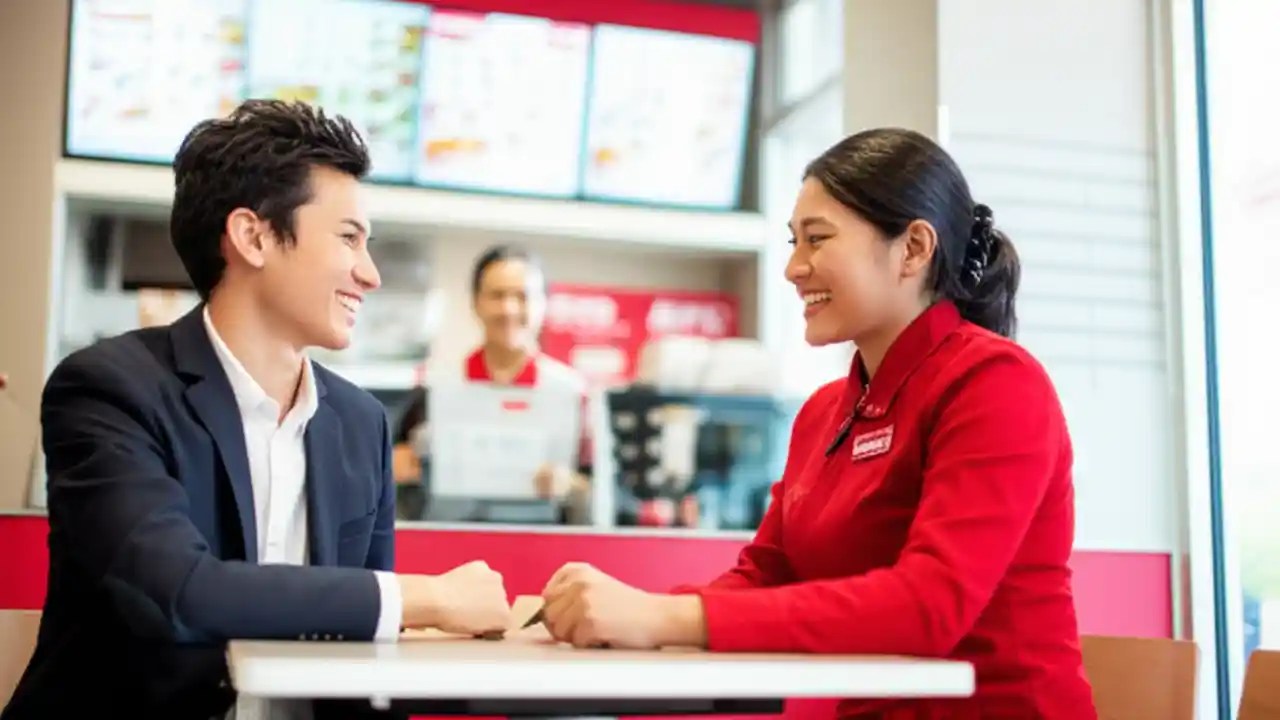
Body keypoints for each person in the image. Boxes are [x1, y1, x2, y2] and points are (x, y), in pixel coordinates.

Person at [536, 128, 1099, 719]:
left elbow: (929, 606)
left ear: (912, 248)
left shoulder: (996, 383)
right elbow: (765, 577)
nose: (793, 268)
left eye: (817, 240)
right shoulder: (823, 412)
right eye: (792, 241)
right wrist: (627, 613)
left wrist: (661, 619)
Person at [2, 100, 511, 720]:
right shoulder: (110, 389)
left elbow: (369, 658)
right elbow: (176, 592)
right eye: (349, 238)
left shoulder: (360, 423)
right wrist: (427, 597)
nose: (370, 273)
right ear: (254, 236)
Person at [392, 245, 593, 520]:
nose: (509, 309)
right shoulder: (435, 383)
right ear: (476, 302)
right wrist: (398, 465)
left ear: (544, 304)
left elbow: (599, 488)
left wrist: (571, 485)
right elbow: (399, 459)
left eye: (522, 296)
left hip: (543, 541)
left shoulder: (572, 391)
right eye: (497, 295)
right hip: (450, 539)